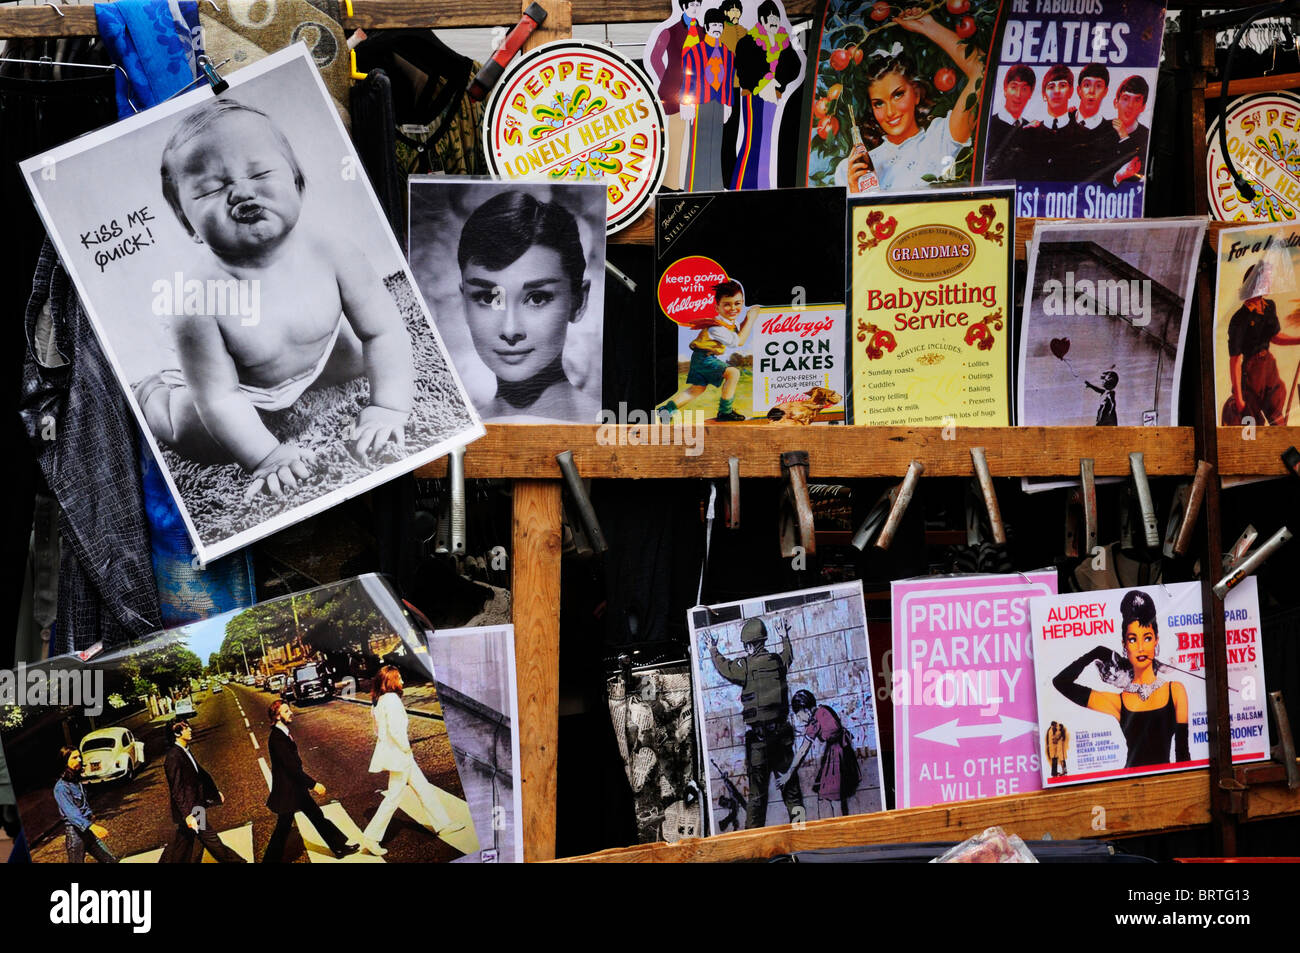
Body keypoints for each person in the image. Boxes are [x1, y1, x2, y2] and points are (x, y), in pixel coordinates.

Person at [135, 98, 415, 499]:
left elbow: (384, 331)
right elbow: (220, 396)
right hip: (232, 385)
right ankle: (149, 393)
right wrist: (267, 456)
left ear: (298, 184)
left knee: (361, 357)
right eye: (212, 189)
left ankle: (308, 375)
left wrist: (388, 406)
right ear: (187, 224)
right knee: (193, 431)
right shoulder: (196, 301)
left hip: (314, 356)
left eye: (260, 172)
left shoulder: (334, 252)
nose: (240, 192)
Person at [457, 190, 597, 423]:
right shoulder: (456, 439)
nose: (510, 330)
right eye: (488, 298)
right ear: (464, 305)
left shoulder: (613, 427)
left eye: (537, 298)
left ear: (578, 302)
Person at [840, 9, 985, 192]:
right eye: (879, 103)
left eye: (898, 95)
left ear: (916, 94)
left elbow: (983, 70)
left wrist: (929, 27)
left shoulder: (939, 139)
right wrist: (854, 193)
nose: (890, 112)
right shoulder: (853, 170)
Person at [1052, 590, 1190, 768]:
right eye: (1132, 640)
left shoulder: (1175, 691)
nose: (1140, 647)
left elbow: (1183, 758)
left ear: (1156, 641)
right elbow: (1061, 682)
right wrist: (1096, 652)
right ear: (1125, 647)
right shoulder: (1118, 702)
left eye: (1147, 638)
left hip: (1165, 787)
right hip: (1128, 787)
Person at [358, 666, 466, 856]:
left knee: (422, 788)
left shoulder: (378, 701)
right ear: (391, 681)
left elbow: (377, 731)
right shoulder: (391, 700)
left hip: (395, 753)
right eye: (399, 678)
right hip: (400, 754)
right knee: (393, 797)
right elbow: (396, 730)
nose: (402, 681)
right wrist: (406, 748)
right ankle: (372, 837)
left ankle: (443, 823)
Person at [708, 617, 804, 828]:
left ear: (749, 645)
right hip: (782, 739)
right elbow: (787, 656)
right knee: (792, 792)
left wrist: (713, 649)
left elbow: (725, 668)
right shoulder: (777, 662)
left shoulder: (746, 666)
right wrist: (785, 637)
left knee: (757, 797)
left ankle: (753, 842)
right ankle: (802, 834)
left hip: (759, 742)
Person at [262, 699, 359, 862]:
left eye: (289, 710)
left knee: (317, 816)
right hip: (288, 792)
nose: (290, 712)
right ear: (277, 717)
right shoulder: (277, 739)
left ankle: (339, 847)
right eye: (286, 711)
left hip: (296, 790)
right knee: (283, 829)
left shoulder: (283, 732)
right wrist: (314, 784)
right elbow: (292, 769)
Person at [657, 278, 761, 422]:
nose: (733, 308)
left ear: (742, 302)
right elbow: (740, 341)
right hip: (704, 358)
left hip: (700, 358)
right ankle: (725, 412)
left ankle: (666, 410)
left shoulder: (729, 323)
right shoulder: (716, 327)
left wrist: (747, 318)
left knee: (697, 389)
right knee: (733, 373)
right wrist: (751, 319)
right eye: (727, 305)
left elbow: (738, 332)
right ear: (717, 307)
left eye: (737, 303)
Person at [731, 0, 800, 190]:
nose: (774, 22)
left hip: (774, 96)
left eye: (776, 18)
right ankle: (743, 185)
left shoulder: (783, 41)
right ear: (762, 19)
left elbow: (795, 66)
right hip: (754, 96)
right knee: (754, 139)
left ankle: (763, 184)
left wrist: (779, 82)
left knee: (768, 141)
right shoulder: (748, 42)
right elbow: (743, 71)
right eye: (770, 18)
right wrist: (763, 84)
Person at [159, 719, 246, 863]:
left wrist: (215, 793)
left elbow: (200, 776)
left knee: (183, 845)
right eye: (186, 728)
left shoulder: (184, 751)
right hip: (191, 809)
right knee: (212, 840)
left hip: (194, 806)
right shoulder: (173, 757)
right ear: (177, 733)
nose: (190, 729)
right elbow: (177, 789)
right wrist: (187, 814)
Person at [1225, 262, 1300, 426]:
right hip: (1252, 373)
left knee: (1277, 414)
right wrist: (1238, 398)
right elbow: (1235, 360)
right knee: (1250, 422)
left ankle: (1282, 446)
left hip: (1269, 366)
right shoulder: (1239, 319)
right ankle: (1252, 448)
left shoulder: (1269, 307)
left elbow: (1275, 337)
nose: (1269, 283)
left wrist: (1298, 340)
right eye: (1265, 279)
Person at [776, 690, 860, 819]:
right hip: (844, 752)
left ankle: (839, 831)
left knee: (833, 797)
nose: (799, 719)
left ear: (805, 709)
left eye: (799, 715)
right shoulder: (824, 710)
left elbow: (802, 750)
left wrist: (788, 774)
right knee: (837, 797)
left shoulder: (814, 723)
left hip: (835, 755)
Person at [649, 0, 704, 190]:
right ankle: (671, 184)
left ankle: (687, 183)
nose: (695, 8)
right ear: (683, 6)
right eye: (692, 4)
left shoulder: (703, 31)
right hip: (676, 91)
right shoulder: (670, 30)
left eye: (698, 4)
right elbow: (655, 57)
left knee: (696, 139)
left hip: (699, 90)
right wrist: (667, 78)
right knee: (676, 137)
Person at [680, 8, 735, 192]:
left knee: (716, 143)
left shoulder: (728, 54)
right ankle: (695, 186)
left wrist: (728, 103)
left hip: (719, 102)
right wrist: (686, 102)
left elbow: (728, 80)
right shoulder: (694, 51)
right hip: (700, 102)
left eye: (720, 25)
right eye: (714, 25)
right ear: (707, 26)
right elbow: (688, 77)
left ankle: (715, 184)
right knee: (698, 145)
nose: (717, 28)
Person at [52, 747, 118, 863]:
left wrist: (90, 816)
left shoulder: (75, 781)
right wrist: (92, 826)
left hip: (88, 831)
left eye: (79, 757)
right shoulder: (61, 788)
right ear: (65, 761)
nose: (79, 760)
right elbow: (71, 813)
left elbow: (82, 803)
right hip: (76, 835)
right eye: (74, 757)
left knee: (110, 860)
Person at [982, 65, 1039, 182]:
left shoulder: (1032, 130)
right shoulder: (989, 125)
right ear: (1005, 89)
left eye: (1024, 89)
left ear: (1030, 93)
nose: (1018, 95)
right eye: (1014, 87)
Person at [1102, 75, 1151, 187]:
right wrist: (1117, 177)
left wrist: (1124, 137)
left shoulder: (1147, 135)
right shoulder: (1102, 129)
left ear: (1143, 107)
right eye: (1125, 98)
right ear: (1115, 102)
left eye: (1137, 100)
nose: (1130, 106)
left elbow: (1138, 172)